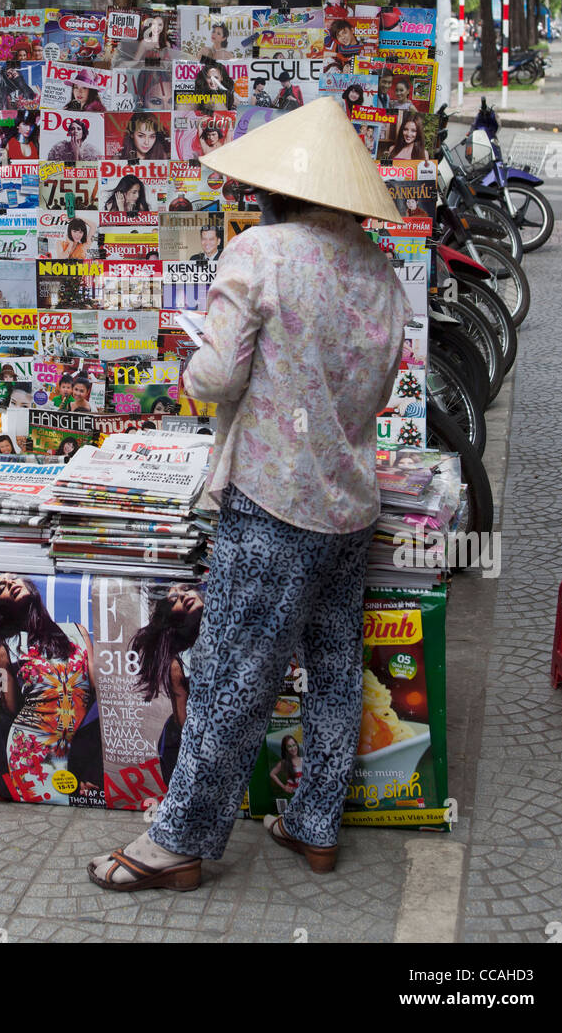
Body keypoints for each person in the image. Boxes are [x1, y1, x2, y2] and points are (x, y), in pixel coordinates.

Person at [88, 95, 409, 892]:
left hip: (272, 500)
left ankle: (180, 843)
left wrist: (190, 368)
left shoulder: (258, 252)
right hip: (347, 504)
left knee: (234, 673)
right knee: (334, 668)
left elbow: (215, 375)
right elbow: (374, 391)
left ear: (273, 187)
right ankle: (314, 824)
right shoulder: (377, 269)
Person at [0, 574, 102, 802]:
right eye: (3, 587)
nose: (11, 583)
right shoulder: (6, 649)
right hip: (32, 756)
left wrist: (91, 761)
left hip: (82, 750)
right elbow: (11, 708)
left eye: (14, 578)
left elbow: (98, 694)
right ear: (0, 604)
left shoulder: (77, 631)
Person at [128, 585, 204, 784]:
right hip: (183, 746)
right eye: (174, 600)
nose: (183, 595)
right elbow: (184, 723)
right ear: (174, 620)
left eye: (185, 588)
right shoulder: (178, 664)